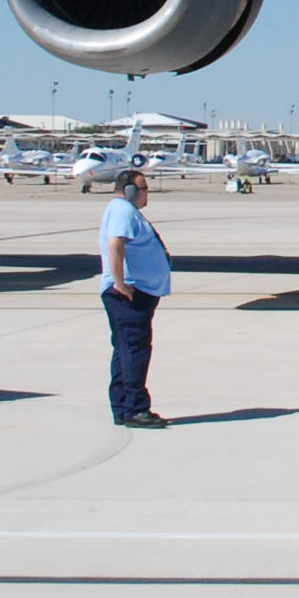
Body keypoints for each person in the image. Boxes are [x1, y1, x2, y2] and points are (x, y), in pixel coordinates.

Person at [98, 169, 172, 428]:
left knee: (125, 351)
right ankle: (136, 408)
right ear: (129, 190)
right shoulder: (122, 211)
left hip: (136, 291)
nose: (146, 195)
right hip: (130, 293)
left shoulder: (123, 211)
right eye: (144, 190)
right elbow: (115, 245)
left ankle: (123, 406)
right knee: (134, 351)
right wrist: (121, 284)